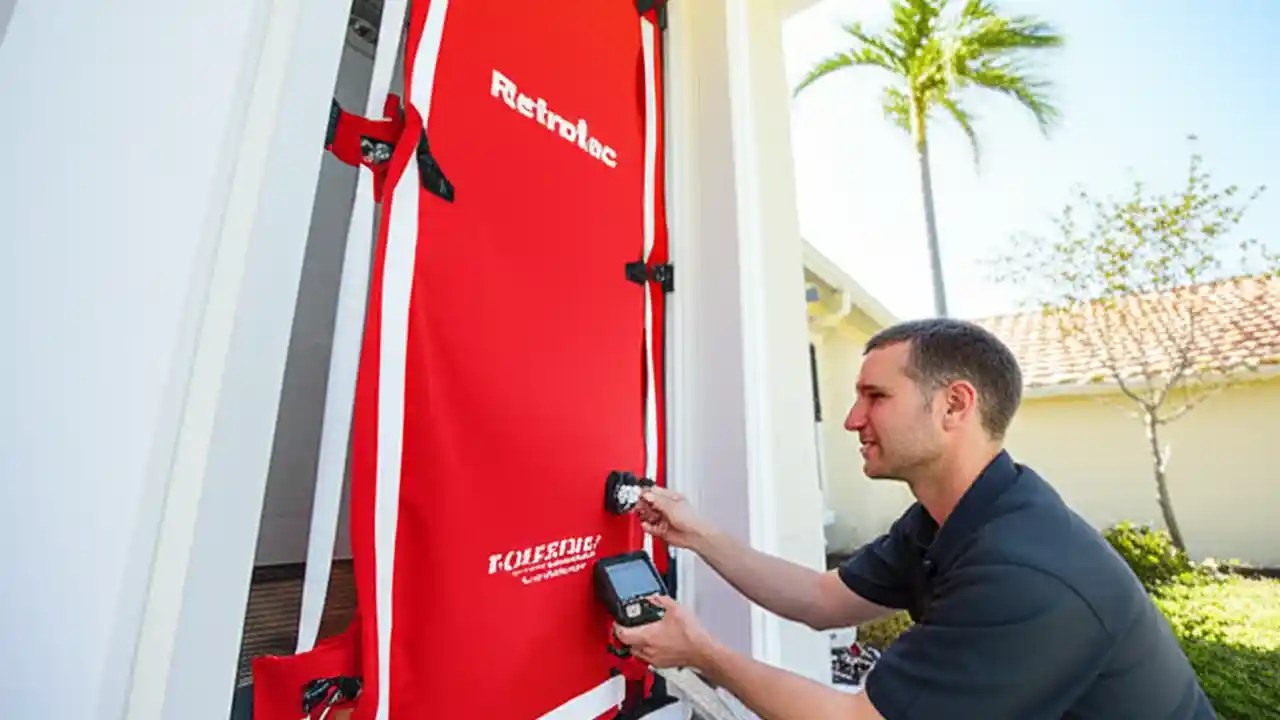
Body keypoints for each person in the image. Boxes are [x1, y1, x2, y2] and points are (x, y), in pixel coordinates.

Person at [615, 318, 1214, 719]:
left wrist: (700, 652)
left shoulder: (1024, 571)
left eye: (875, 397)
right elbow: (823, 599)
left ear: (954, 404)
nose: (852, 419)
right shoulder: (952, 515)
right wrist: (698, 536)